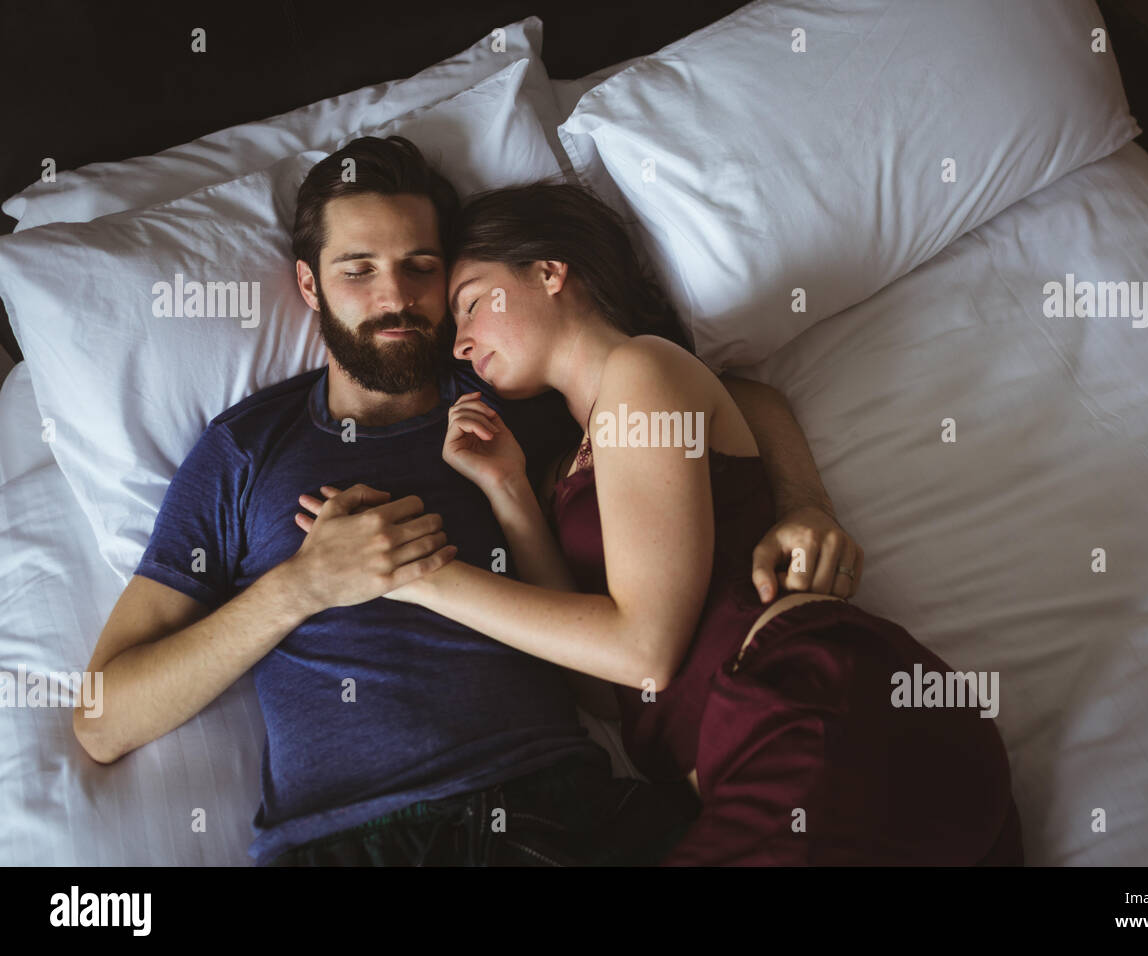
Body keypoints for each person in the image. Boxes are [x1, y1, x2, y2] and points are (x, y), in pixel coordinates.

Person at [73, 136, 866, 867]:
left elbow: (730, 395)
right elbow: (103, 719)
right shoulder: (244, 451)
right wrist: (299, 588)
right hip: (349, 839)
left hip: (560, 811)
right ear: (309, 285)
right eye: (358, 269)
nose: (396, 297)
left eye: (421, 266)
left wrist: (806, 502)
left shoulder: (509, 392)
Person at [304, 182, 1024, 865]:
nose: (459, 343)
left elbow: (644, 652)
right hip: (754, 770)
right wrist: (513, 492)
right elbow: (605, 693)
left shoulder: (642, 370)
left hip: (809, 716)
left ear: (550, 272)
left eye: (469, 304)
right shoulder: (573, 460)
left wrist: (413, 573)